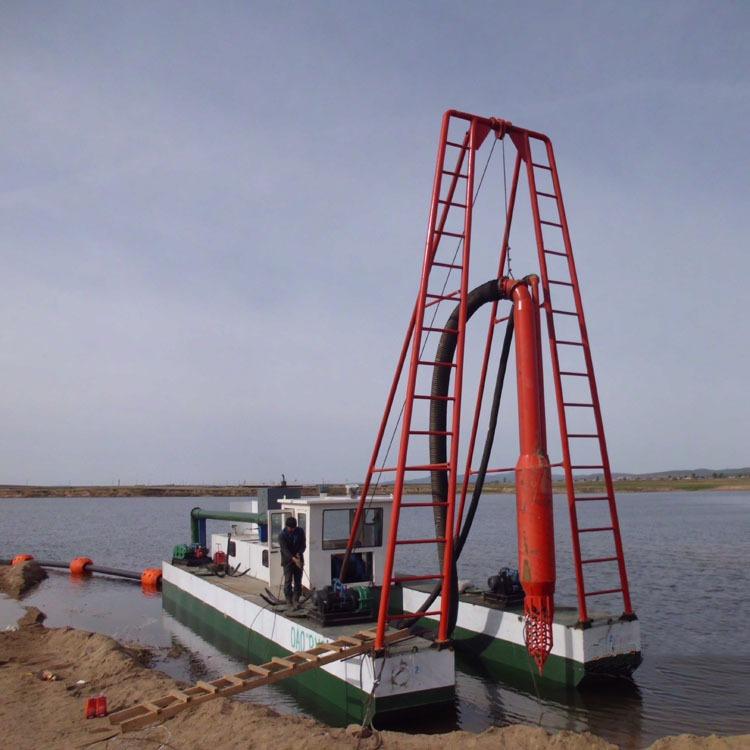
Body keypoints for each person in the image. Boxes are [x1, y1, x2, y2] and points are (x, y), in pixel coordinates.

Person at [278, 516, 306, 605]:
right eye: (291, 528)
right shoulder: (282, 535)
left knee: (298, 580)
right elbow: (284, 550)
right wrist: (294, 559)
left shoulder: (300, 531)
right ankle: (288, 599)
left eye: (294, 528)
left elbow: (303, 545)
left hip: (298, 559)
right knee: (288, 580)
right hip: (287, 561)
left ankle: (296, 599)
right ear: (287, 526)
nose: (293, 530)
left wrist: (299, 553)